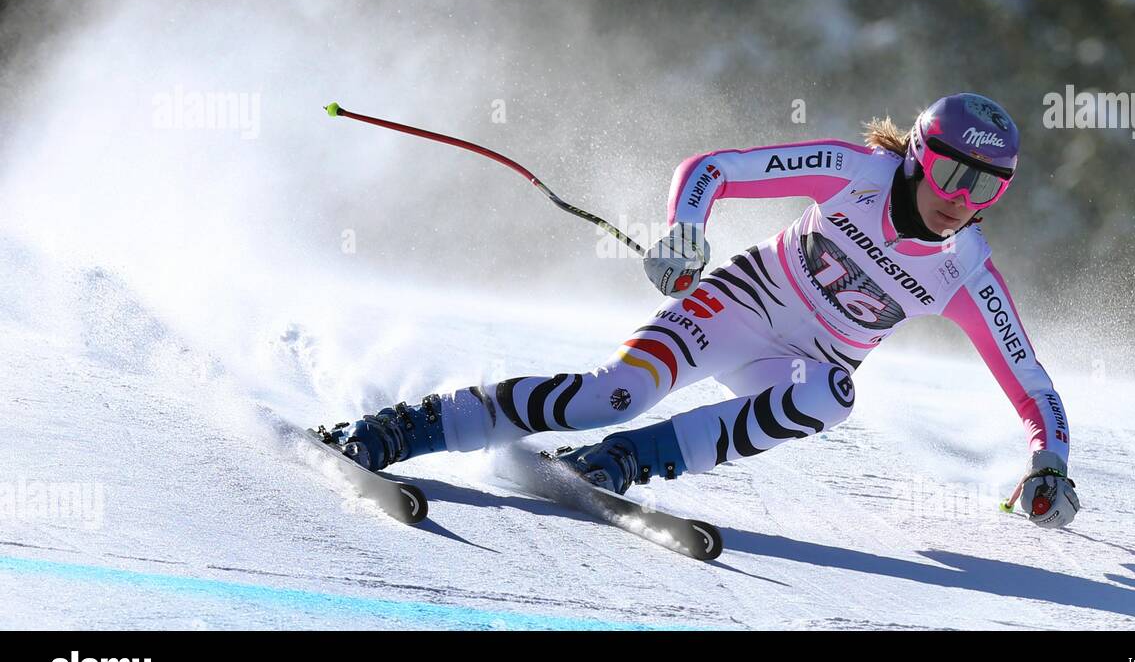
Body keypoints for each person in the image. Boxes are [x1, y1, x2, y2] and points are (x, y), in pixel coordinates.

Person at [325, 92, 1080, 528]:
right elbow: (712, 170)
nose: (960, 198)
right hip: (737, 306)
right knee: (607, 395)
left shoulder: (965, 270)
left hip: (795, 366)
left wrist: (1050, 461)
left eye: (988, 187)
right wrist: (686, 231)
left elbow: (1030, 382)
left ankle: (622, 462)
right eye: (950, 171)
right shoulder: (857, 171)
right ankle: (399, 428)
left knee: (836, 395)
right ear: (916, 154)